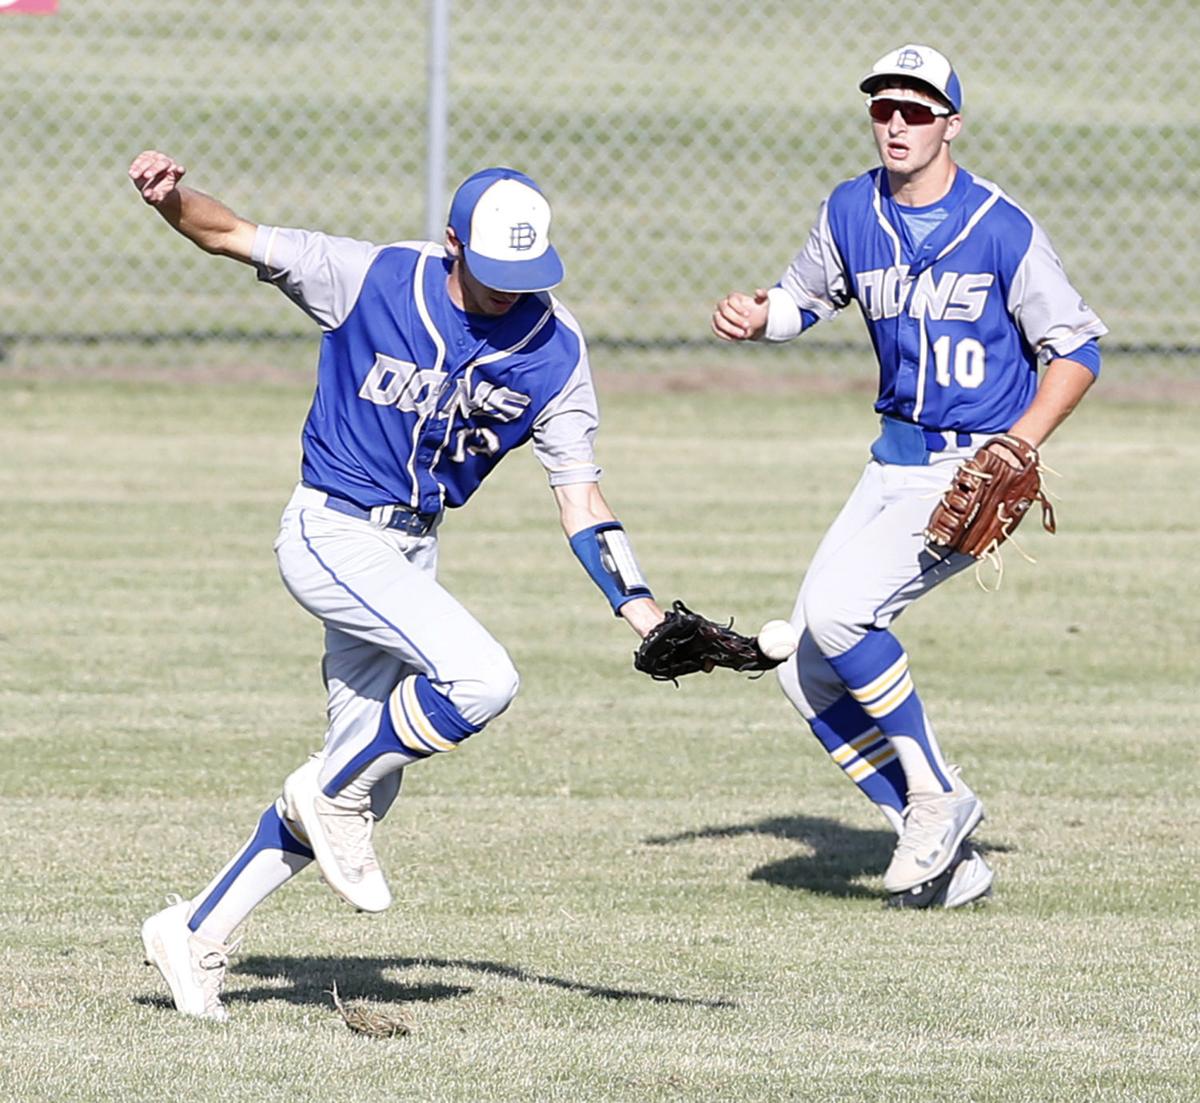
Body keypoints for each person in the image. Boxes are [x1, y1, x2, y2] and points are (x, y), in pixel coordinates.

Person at [129, 150, 667, 1019]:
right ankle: (324, 789)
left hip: (411, 551)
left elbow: (582, 496)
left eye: (525, 275)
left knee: (366, 779)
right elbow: (229, 233)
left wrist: (639, 607)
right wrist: (170, 200)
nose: (509, 291)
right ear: (452, 243)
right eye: (493, 274)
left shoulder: (555, 351)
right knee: (482, 679)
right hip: (331, 527)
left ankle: (194, 933)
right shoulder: (372, 276)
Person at [711, 45, 1106, 908]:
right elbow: (802, 299)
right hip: (889, 462)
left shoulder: (1002, 227)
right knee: (803, 668)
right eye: (884, 108)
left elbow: (1076, 350)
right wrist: (757, 315)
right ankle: (948, 855)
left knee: (847, 613)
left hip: (970, 464)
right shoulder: (852, 210)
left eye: (918, 110)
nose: (897, 122)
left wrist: (1021, 446)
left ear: (951, 125)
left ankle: (937, 794)